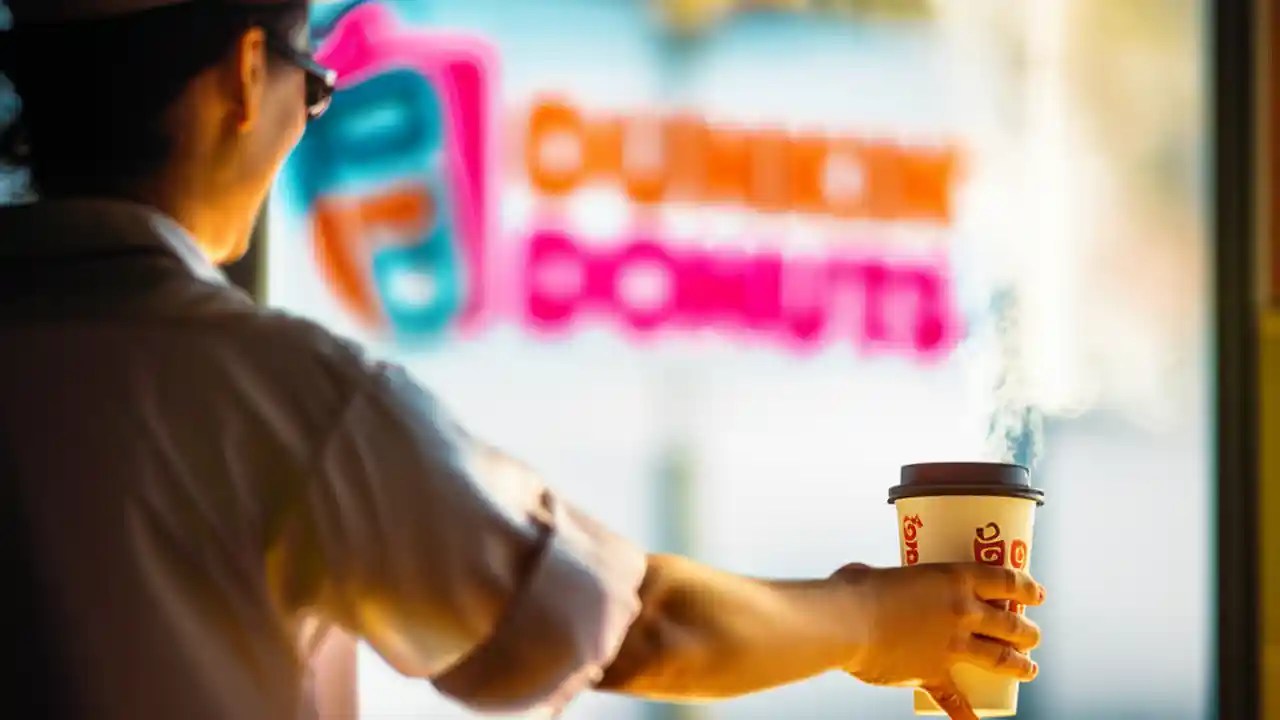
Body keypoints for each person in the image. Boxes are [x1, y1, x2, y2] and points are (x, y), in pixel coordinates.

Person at [0, 2, 1045, 719]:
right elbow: (633, 627)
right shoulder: (276, 398)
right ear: (240, 75)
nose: (302, 118)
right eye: (309, 88)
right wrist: (868, 622)